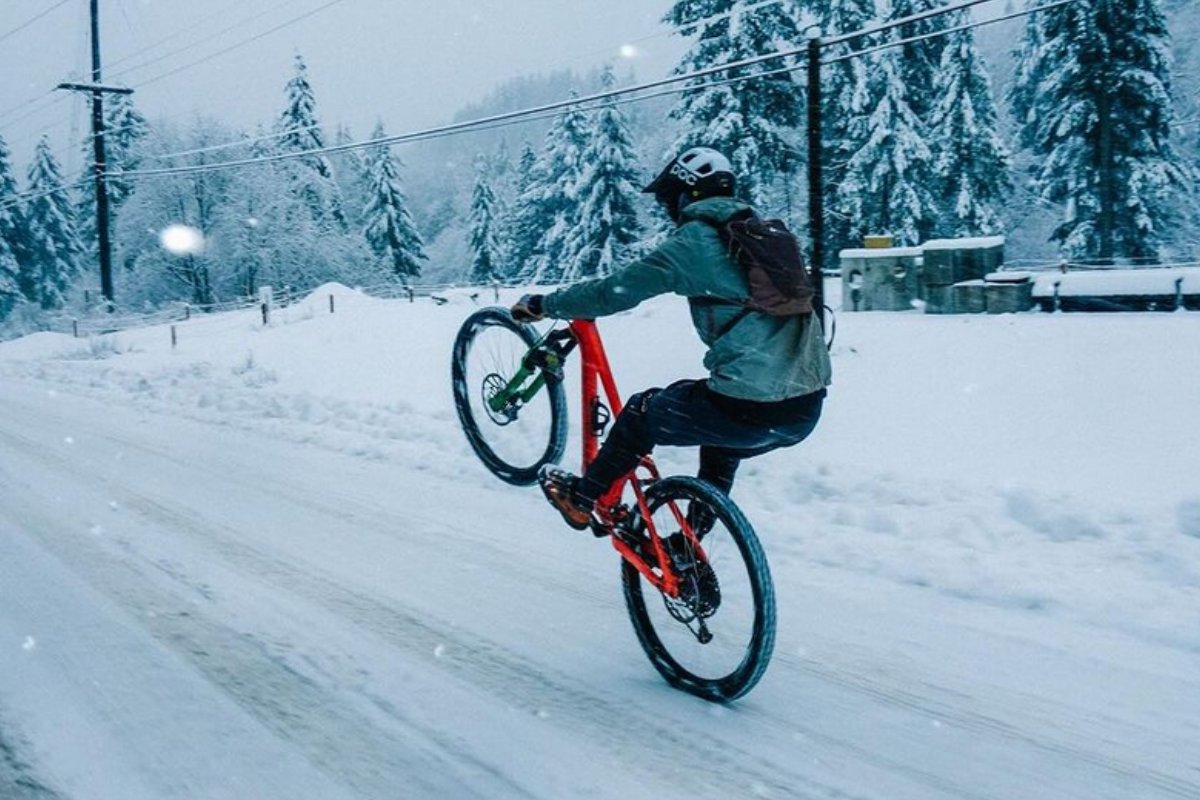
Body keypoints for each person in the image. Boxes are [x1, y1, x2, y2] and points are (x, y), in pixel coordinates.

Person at [510, 146, 832, 533]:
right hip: (804, 410)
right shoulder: (766, 237)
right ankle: (688, 549)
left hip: (746, 406)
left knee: (640, 413)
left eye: (667, 200)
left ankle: (583, 499)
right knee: (720, 446)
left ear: (685, 195)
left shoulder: (695, 243)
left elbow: (614, 292)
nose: (667, 211)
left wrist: (546, 303)